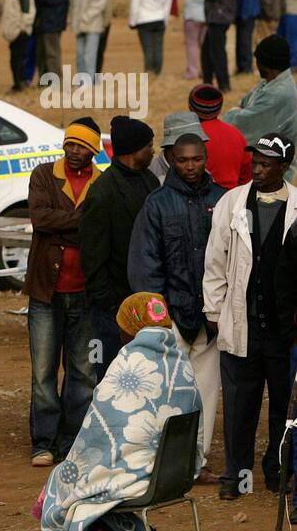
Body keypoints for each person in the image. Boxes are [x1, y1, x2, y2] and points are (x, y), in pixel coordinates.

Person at [39, 291, 200, 531]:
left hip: (141, 478)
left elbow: (99, 435)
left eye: (124, 326)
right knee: (86, 485)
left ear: (133, 326)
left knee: (64, 488)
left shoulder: (128, 365)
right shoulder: (181, 364)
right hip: (173, 476)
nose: (121, 333)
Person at [204, 133, 297, 500]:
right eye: (254, 162)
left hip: (283, 329)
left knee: (281, 406)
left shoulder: (294, 205)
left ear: (284, 167)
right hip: (241, 322)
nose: (257, 170)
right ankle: (236, 477)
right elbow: (215, 261)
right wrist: (213, 309)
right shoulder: (232, 203)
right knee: (240, 406)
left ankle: (276, 472)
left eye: (266, 164)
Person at [128, 131, 224, 481]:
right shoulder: (157, 203)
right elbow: (145, 264)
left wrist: (221, 309)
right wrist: (159, 317)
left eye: (196, 158)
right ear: (170, 159)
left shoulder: (223, 200)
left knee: (206, 394)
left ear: (205, 158)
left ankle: (197, 463)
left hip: (211, 318)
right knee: (165, 392)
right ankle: (162, 463)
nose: (189, 166)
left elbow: (231, 259)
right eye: (182, 159)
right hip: (170, 317)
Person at [24, 117, 101, 467]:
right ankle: (43, 441)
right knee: (43, 370)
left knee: (82, 372)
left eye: (81, 146)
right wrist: (81, 222)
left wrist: (62, 224)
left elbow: (97, 230)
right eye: (70, 144)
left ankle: (71, 441)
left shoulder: (102, 182)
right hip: (46, 289)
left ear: (93, 150)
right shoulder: (43, 174)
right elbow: (39, 219)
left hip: (86, 292)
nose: (73, 151)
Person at [79, 115, 158, 382]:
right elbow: (92, 255)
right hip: (113, 309)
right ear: (135, 151)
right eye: (149, 145)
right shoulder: (103, 192)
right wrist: (110, 303)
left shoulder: (150, 181)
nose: (153, 150)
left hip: (144, 302)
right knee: (114, 379)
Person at [223, 34, 297, 180]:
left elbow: (239, 125)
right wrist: (240, 110)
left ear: (265, 64)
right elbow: (243, 104)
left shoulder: (278, 94)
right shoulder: (270, 83)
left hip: (272, 176)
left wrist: (232, 114)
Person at [186, 83, 250, 189]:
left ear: (190, 108)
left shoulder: (187, 138)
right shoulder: (237, 134)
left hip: (200, 200)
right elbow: (246, 177)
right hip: (233, 198)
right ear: (219, 110)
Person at [68, 0, 109, 84]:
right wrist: (72, 17)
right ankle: (81, 82)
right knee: (79, 56)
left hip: (93, 24)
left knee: (89, 56)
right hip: (78, 23)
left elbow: (100, 3)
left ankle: (89, 84)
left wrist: (87, 16)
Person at [128, 0, 173, 76]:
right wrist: (165, 23)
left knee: (148, 49)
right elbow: (166, 11)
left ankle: (148, 74)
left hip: (144, 23)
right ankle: (157, 73)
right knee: (158, 49)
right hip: (159, 22)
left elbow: (134, 7)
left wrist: (132, 23)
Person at [202, 0, 235, 92]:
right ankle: (207, 83)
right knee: (206, 52)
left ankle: (224, 85)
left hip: (219, 20)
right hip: (214, 19)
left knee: (218, 53)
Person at [35, 0, 68, 85]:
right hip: (44, 25)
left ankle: (56, 81)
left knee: (52, 54)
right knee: (42, 55)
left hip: (53, 25)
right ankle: (44, 80)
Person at [2, 0, 34, 92]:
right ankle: (17, 83)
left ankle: (20, 84)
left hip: (20, 33)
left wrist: (21, 29)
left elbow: (27, 13)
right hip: (14, 32)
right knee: (14, 59)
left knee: (19, 60)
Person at [179, 0, 206, 81]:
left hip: (191, 16)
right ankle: (206, 69)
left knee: (191, 44)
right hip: (206, 16)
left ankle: (192, 71)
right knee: (204, 45)